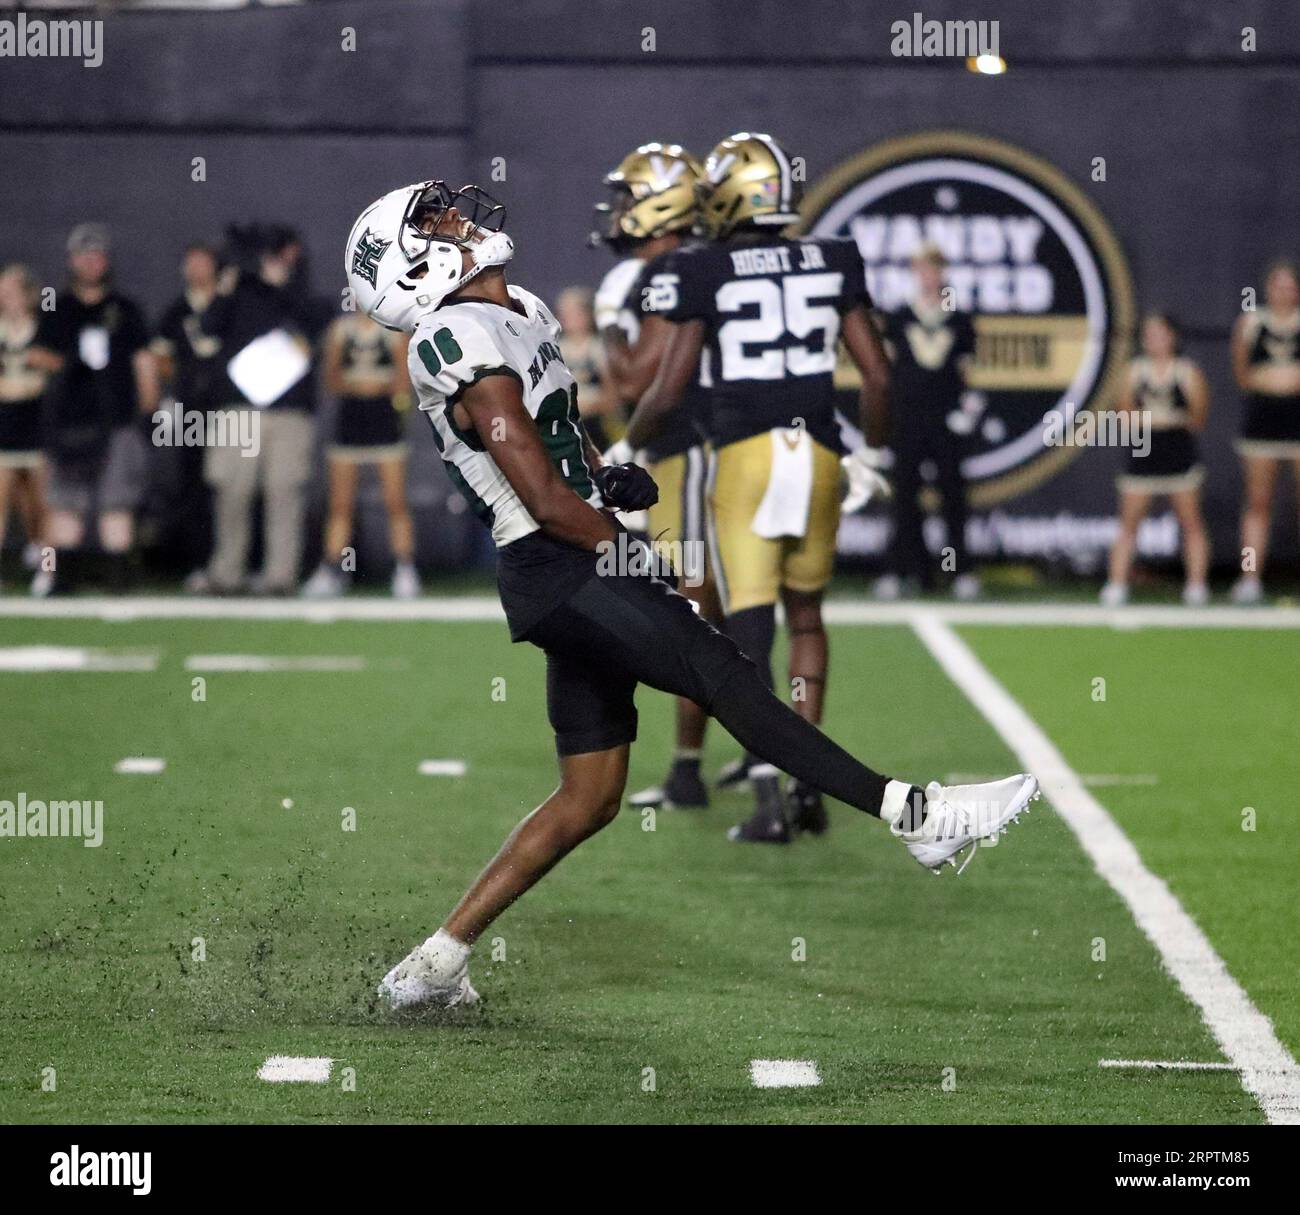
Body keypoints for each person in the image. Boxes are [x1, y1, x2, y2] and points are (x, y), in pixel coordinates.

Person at [345, 178, 1035, 1009]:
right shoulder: (450, 336)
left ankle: (434, 962)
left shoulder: (516, 308)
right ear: (415, 266)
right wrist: (634, 551)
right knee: (726, 672)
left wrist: (609, 473)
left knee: (591, 795)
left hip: (570, 557)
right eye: (437, 222)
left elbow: (557, 437)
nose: (459, 219)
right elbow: (539, 495)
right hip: (558, 562)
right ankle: (914, 814)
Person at [625, 132, 895, 844]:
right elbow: (879, 375)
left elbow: (668, 385)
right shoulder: (831, 256)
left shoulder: (704, 267)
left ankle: (769, 791)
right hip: (822, 453)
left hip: (747, 454)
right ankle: (810, 778)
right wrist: (871, 450)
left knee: (747, 634)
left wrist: (627, 444)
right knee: (807, 618)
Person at [590, 142, 720, 811]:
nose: (619, 212)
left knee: (695, 610)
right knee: (721, 610)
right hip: (701, 448)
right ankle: (730, 766)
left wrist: (611, 326)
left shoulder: (672, 270)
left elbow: (644, 384)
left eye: (631, 198)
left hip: (690, 450)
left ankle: (695, 769)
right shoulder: (691, 263)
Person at [195, 225, 327, 595]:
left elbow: (318, 323)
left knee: (284, 492)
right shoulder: (237, 292)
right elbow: (207, 327)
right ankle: (226, 573)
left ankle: (279, 577)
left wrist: (281, 285)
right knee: (231, 491)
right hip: (239, 407)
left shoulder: (302, 296)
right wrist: (226, 284)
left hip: (289, 411)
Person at [39, 223, 158, 595]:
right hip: (70, 425)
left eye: (97, 255)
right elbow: (38, 356)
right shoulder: (56, 307)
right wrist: (69, 366)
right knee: (65, 505)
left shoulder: (124, 310)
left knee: (116, 502)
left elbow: (145, 362)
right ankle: (61, 579)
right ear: (72, 260)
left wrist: (146, 406)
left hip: (117, 421)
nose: (91, 262)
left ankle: (118, 580)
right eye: (84, 255)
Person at [876, 243, 979, 600]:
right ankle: (904, 570)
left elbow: (965, 373)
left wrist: (963, 410)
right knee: (905, 495)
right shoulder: (900, 316)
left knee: (952, 495)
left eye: (934, 269)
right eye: (921, 268)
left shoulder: (958, 318)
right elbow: (887, 368)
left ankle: (959, 570)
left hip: (945, 420)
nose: (928, 276)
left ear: (943, 273)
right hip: (908, 418)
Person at [301, 310, 419, 599]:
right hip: (350, 421)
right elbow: (330, 378)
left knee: (395, 501)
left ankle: (404, 570)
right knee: (340, 504)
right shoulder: (341, 330)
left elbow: (404, 382)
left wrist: (378, 387)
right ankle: (331, 570)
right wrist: (358, 386)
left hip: (383, 420)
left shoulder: (393, 330)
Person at [1101, 313, 1210, 605]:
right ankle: (1116, 584)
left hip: (1178, 452)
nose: (1154, 339)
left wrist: (1157, 419)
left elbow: (1197, 417)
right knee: (1128, 523)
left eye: (1160, 333)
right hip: (1143, 451)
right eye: (1148, 334)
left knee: (1191, 523)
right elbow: (1123, 416)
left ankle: (1196, 586)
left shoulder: (1187, 372)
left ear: (1173, 337)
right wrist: (1159, 418)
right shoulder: (1133, 372)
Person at [151, 243, 226, 580]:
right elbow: (161, 359)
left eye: (203, 262)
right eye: (190, 263)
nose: (196, 269)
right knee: (193, 484)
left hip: (231, 409)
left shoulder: (229, 305)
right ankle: (197, 562)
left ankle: (234, 564)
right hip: (192, 410)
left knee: (230, 487)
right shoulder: (176, 311)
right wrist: (176, 388)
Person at [1229, 260, 1300, 604]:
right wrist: (1271, 381)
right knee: (1257, 503)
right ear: (1267, 289)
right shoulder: (1250, 323)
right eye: (1277, 286)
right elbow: (1241, 373)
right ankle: (1249, 577)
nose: (1283, 292)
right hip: (1263, 420)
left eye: (1290, 286)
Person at [0, 264, 62, 591]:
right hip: (4, 430)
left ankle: (48, 572)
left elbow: (62, 366)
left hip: (36, 429)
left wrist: (46, 363)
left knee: (42, 511)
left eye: (11, 289)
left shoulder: (44, 328)